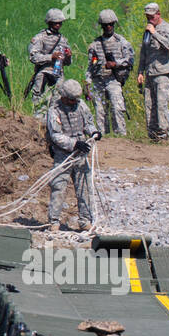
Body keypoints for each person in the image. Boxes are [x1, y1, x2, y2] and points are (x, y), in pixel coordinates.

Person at [46, 80, 100, 232]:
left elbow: (88, 123)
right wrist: (74, 143)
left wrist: (94, 132)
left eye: (75, 99)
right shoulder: (54, 110)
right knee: (58, 187)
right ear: (63, 96)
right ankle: (54, 222)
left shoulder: (81, 105)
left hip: (80, 155)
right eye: (71, 99)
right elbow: (55, 135)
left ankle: (85, 221)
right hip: (62, 156)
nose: (73, 102)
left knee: (84, 188)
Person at [87, 10, 134, 137]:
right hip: (98, 80)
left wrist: (115, 64)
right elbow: (90, 66)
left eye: (110, 24)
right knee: (100, 110)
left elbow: (130, 60)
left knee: (117, 107)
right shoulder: (95, 44)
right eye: (105, 25)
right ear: (101, 26)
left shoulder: (121, 42)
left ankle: (121, 135)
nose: (108, 27)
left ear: (114, 24)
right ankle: (103, 136)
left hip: (113, 79)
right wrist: (87, 82)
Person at [136, 2, 169, 140]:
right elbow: (144, 52)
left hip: (162, 73)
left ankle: (165, 134)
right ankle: (153, 135)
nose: (149, 20)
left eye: (152, 17)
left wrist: (155, 33)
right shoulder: (147, 31)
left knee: (161, 104)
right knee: (149, 105)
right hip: (149, 72)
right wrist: (140, 72)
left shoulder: (168, 29)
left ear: (158, 14)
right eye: (147, 17)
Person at [27, 9, 71, 110]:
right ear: (50, 22)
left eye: (60, 23)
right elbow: (33, 57)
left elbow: (68, 63)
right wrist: (51, 57)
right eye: (56, 22)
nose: (58, 25)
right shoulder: (40, 37)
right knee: (40, 105)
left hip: (58, 75)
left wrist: (68, 56)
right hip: (43, 74)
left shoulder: (63, 40)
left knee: (57, 106)